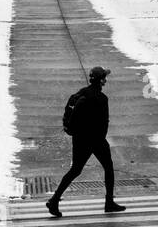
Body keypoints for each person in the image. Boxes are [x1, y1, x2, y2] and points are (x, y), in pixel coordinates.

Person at [47, 66, 126, 217]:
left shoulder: (81, 93)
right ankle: (109, 202)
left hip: (80, 139)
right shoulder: (102, 99)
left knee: (75, 170)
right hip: (96, 140)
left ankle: (54, 200)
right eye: (104, 78)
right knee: (108, 168)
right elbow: (104, 123)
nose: (106, 80)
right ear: (101, 80)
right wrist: (100, 139)